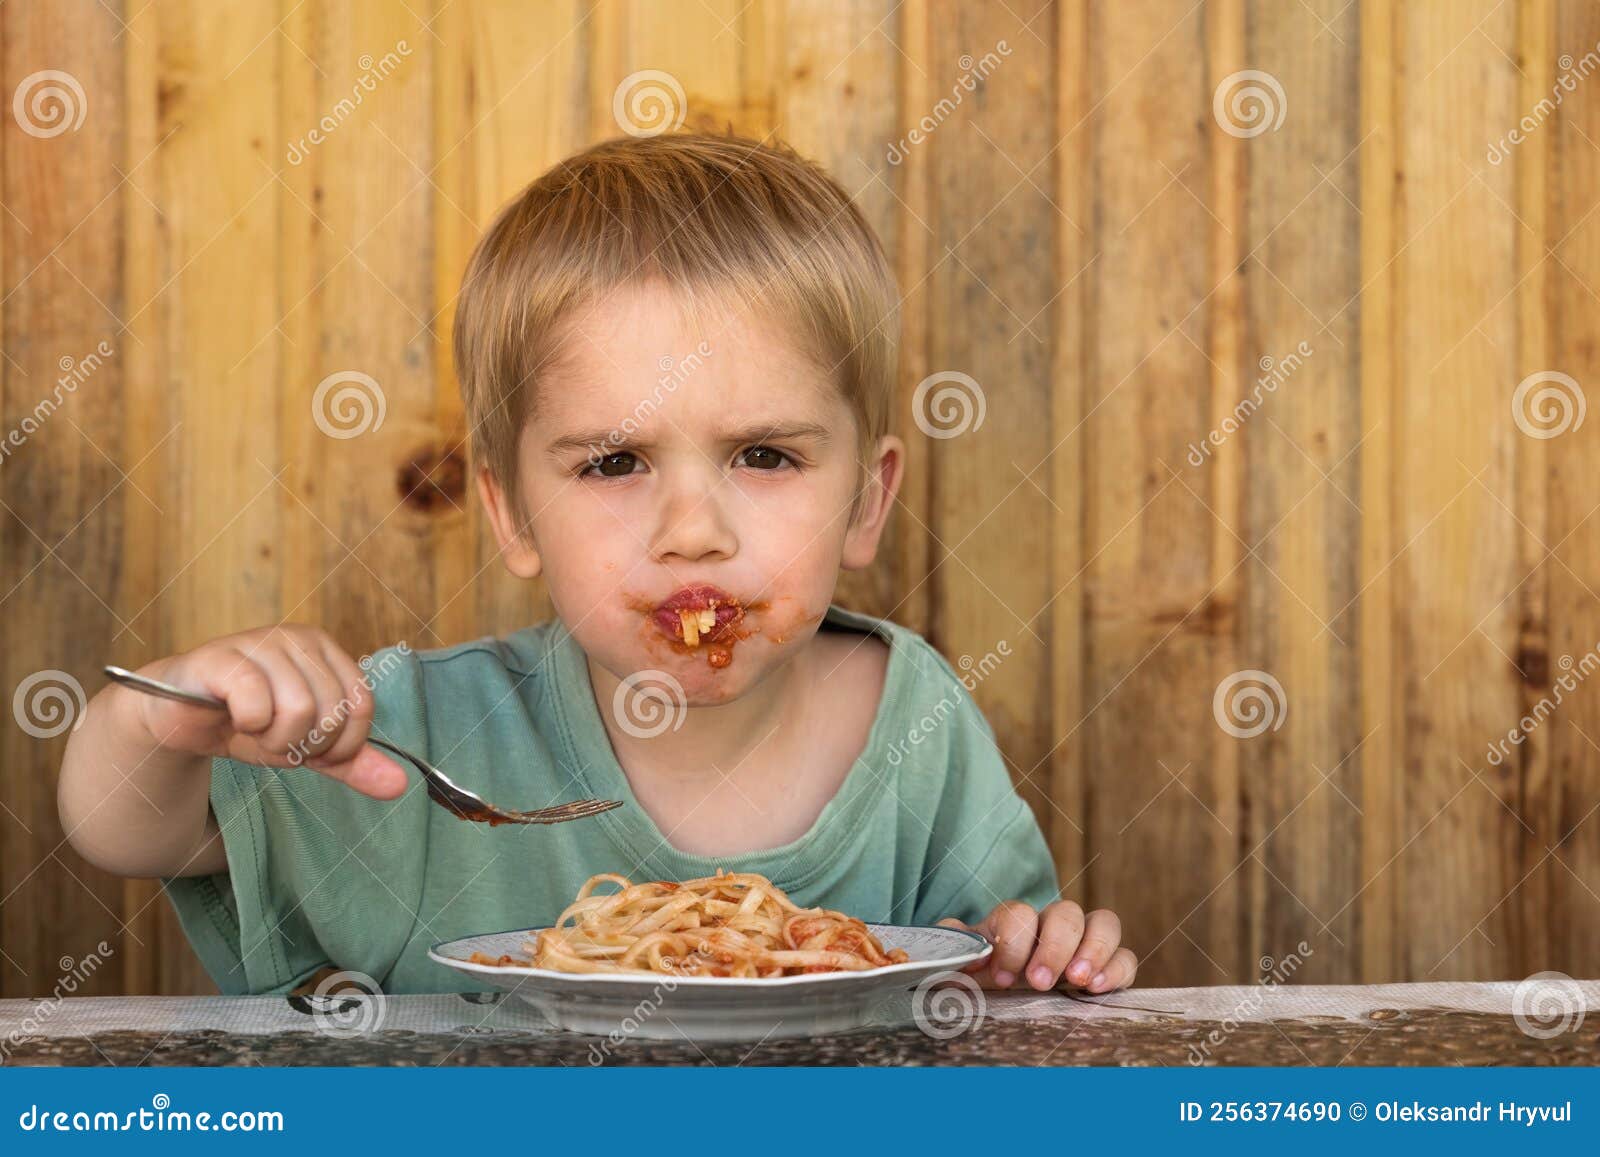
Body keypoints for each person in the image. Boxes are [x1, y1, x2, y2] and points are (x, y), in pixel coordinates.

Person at [58, 133, 1136, 997]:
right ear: (512, 510)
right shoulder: (416, 736)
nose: (691, 528)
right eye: (614, 461)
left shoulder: (916, 718)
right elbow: (131, 830)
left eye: (764, 455)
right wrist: (159, 726)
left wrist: (1027, 953)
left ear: (866, 498)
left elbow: (987, 979)